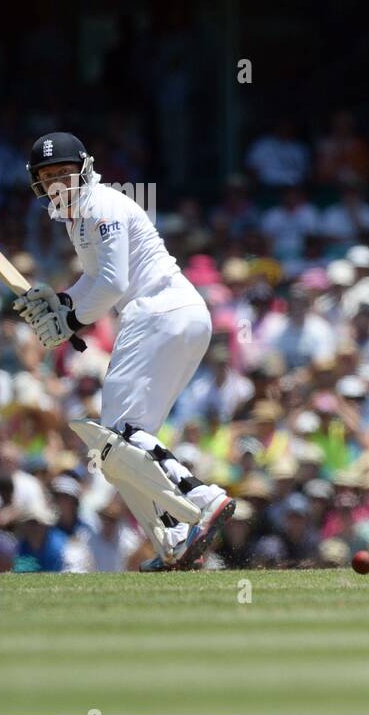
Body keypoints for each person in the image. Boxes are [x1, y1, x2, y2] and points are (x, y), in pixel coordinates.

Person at [12, 132, 236, 572]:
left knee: (117, 438)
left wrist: (71, 320)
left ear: (84, 169)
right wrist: (60, 302)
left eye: (64, 173)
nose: (58, 183)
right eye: (48, 177)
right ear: (37, 184)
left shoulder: (100, 205)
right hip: (178, 317)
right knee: (119, 452)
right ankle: (173, 540)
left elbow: (113, 284)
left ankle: (201, 498)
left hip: (159, 313)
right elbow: (96, 279)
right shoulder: (78, 217)